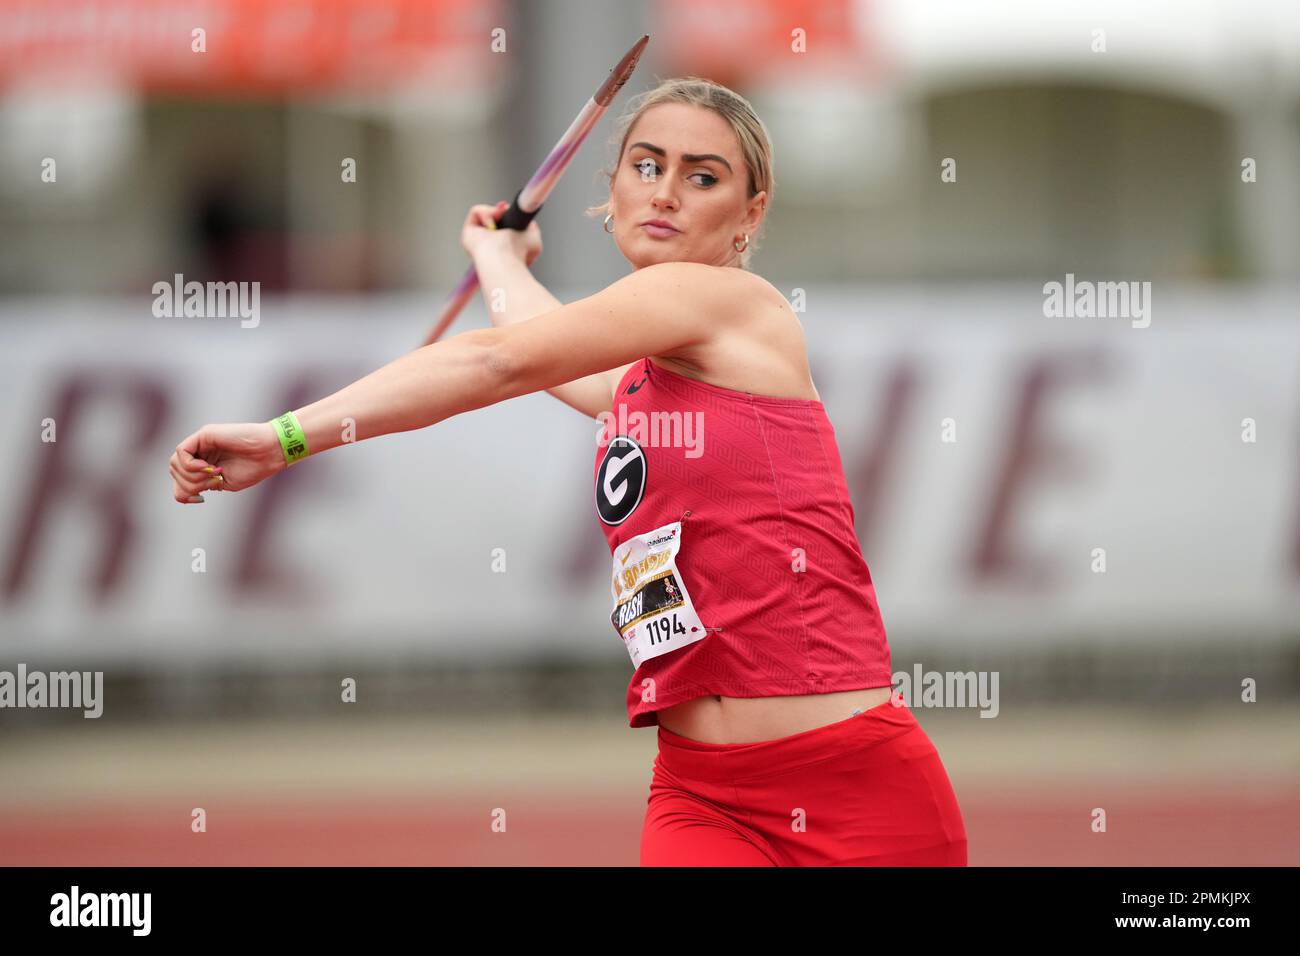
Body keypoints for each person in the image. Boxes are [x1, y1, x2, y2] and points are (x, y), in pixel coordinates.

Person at [168, 77, 967, 867]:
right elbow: (544, 349)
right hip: (702, 797)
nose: (666, 193)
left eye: (703, 176)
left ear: (748, 216)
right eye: (646, 166)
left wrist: (285, 437)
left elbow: (501, 360)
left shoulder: (733, 306)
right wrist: (497, 257)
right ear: (610, 190)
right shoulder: (639, 385)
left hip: (853, 791)